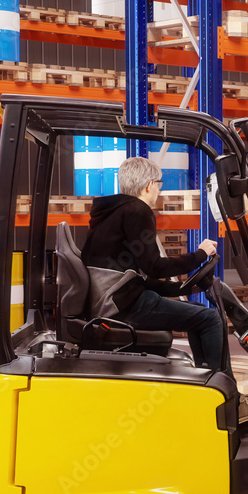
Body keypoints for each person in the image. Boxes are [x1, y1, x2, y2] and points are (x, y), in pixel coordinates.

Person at [81, 156, 223, 370]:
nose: (159, 190)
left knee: (198, 312)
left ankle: (204, 375)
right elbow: (154, 268)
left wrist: (180, 288)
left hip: (114, 300)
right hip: (123, 306)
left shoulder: (111, 213)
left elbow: (135, 275)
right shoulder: (137, 211)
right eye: (159, 184)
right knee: (210, 318)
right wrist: (200, 255)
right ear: (149, 186)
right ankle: (221, 385)